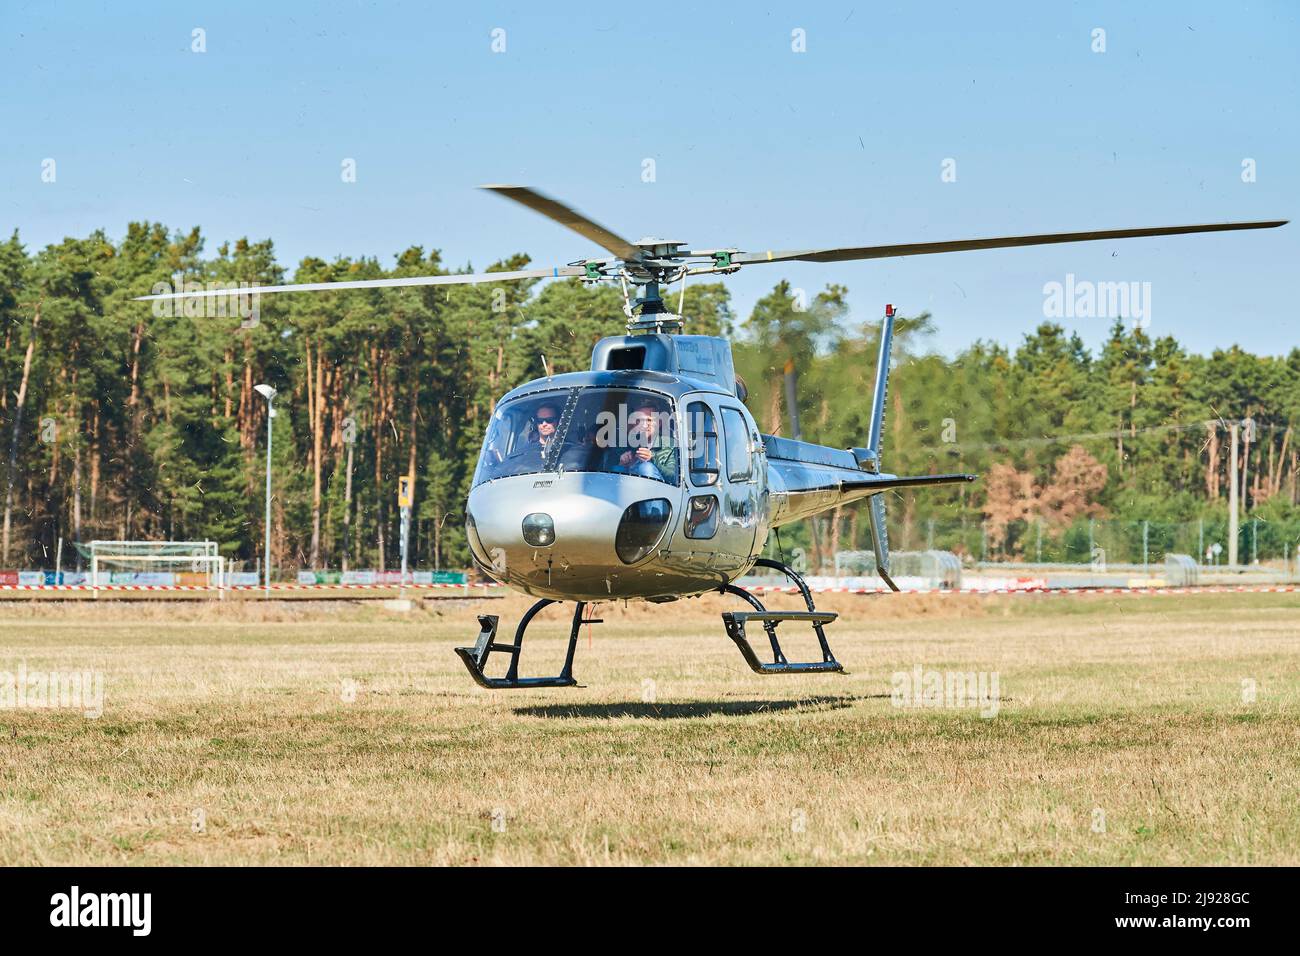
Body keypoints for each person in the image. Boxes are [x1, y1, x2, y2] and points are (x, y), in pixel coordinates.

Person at [608, 403, 678, 483]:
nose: (644, 425)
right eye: (639, 420)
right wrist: (622, 464)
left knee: (646, 467)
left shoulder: (670, 444)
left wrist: (652, 459)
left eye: (649, 420)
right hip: (629, 491)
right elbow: (609, 475)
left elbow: (674, 478)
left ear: (659, 423)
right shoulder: (628, 443)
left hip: (658, 493)